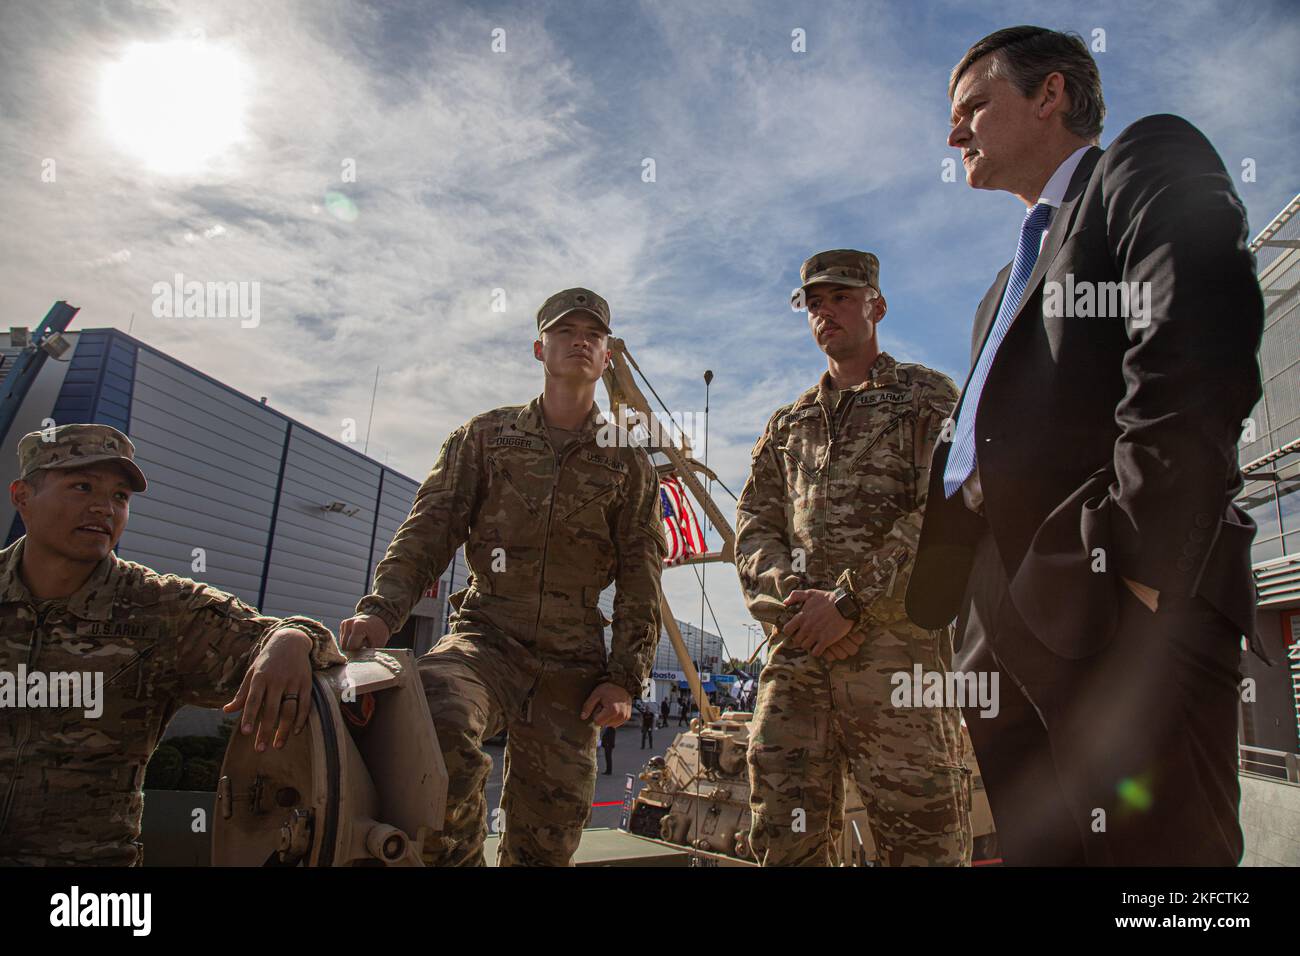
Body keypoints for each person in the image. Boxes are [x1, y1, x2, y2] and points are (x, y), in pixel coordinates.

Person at [907, 26, 1266, 866]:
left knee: (1160, 866)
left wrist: (1139, 563)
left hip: (1110, 590)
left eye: (973, 108)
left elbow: (1197, 339)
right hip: (996, 610)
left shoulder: (1141, 163)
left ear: (1051, 94)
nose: (954, 134)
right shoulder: (1003, 286)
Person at [339, 288, 666, 867]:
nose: (581, 341)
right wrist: (382, 610)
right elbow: (429, 529)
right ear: (541, 348)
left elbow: (642, 574)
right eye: (567, 332)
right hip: (487, 636)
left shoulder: (627, 461)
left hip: (574, 660)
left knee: (549, 836)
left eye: (593, 334)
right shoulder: (486, 438)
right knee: (437, 713)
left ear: (608, 356)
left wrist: (625, 678)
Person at [0, 424, 345, 865]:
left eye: (120, 497)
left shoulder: (160, 609)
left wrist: (292, 637)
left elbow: (299, 642)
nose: (104, 508)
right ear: (22, 496)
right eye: (82, 486)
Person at [735, 249, 970, 867]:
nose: (825, 312)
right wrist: (798, 609)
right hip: (799, 668)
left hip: (897, 662)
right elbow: (754, 529)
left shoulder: (926, 398)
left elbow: (948, 511)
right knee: (787, 843)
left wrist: (849, 602)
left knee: (925, 842)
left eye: (840, 297)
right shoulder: (788, 424)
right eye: (814, 303)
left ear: (877, 305)